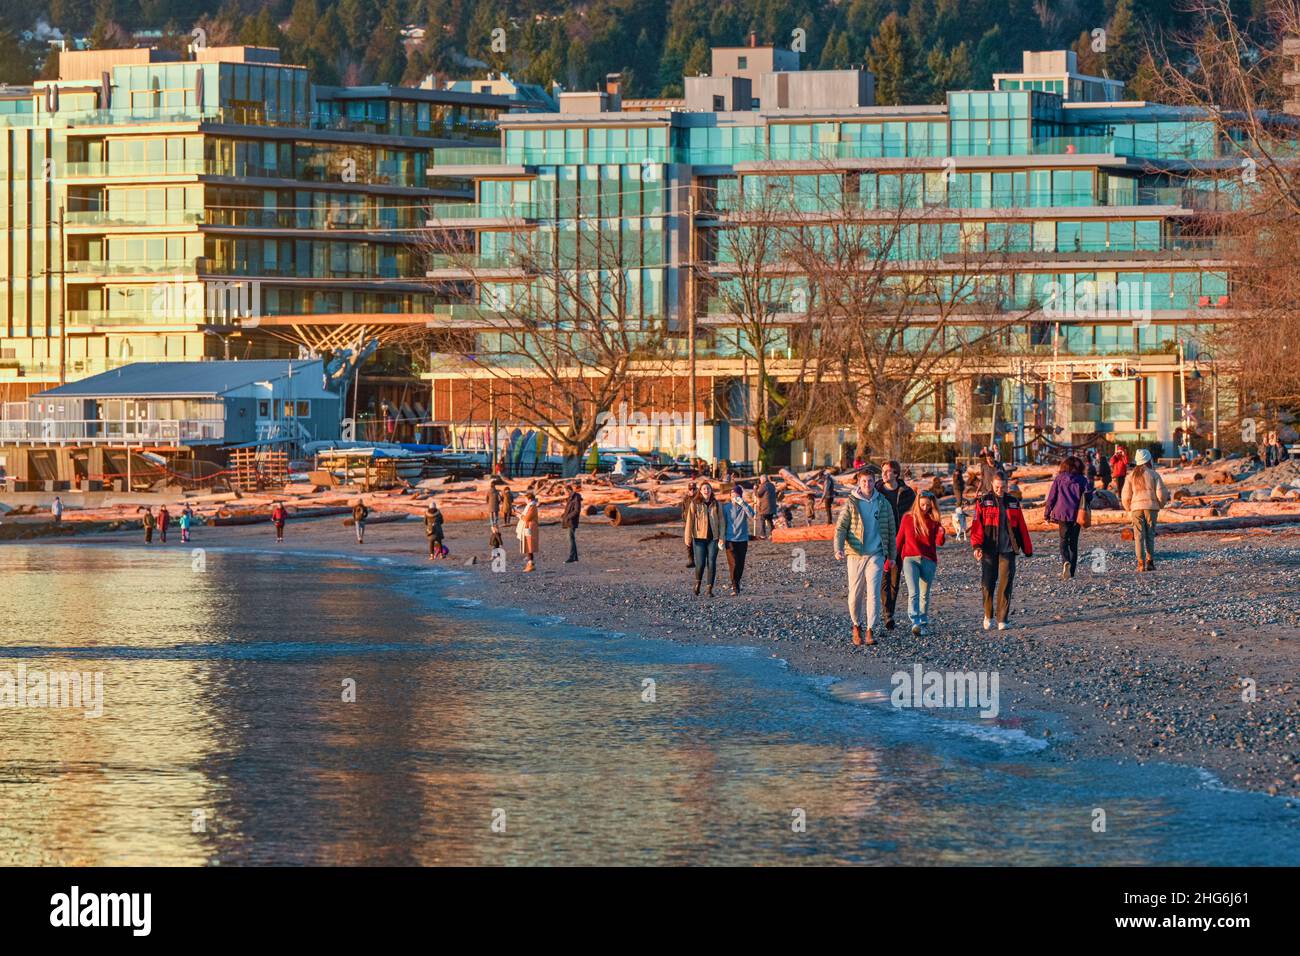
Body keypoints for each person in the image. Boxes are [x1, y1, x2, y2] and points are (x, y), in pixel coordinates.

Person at [833, 466, 897, 647]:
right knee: (855, 594)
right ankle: (856, 625)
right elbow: (840, 528)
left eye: (870, 481)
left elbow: (891, 531)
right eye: (864, 481)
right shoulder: (852, 503)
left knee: (874, 593)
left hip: (876, 554)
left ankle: (870, 629)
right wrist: (838, 548)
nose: (867, 484)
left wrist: (891, 555)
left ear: (874, 482)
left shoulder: (883, 503)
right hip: (855, 553)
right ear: (859, 483)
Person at [971, 472, 1033, 631]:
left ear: (1007, 486)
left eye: (1003, 487)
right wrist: (977, 546)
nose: (1000, 490)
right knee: (987, 583)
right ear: (992, 485)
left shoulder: (1013, 502)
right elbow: (977, 526)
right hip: (988, 549)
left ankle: (1002, 619)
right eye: (997, 487)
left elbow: (1021, 526)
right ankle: (988, 614)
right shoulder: (983, 502)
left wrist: (1027, 548)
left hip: (1008, 550)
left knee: (1006, 584)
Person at [895, 490, 946, 636]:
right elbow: (899, 541)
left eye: (928, 505)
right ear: (917, 503)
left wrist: (941, 533)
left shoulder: (934, 520)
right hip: (910, 559)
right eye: (922, 504)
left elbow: (939, 542)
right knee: (914, 592)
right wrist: (890, 560)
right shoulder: (908, 518)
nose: (925, 508)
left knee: (924, 594)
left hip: (929, 560)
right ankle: (915, 621)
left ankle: (923, 621)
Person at [877, 460, 916, 631]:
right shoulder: (876, 491)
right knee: (883, 577)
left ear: (896, 474)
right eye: (883, 471)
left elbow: (915, 515)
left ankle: (890, 610)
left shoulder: (907, 493)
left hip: (900, 541)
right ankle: (887, 614)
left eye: (888, 471)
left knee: (895, 578)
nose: (884, 474)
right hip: (880, 540)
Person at [1121, 448, 1170, 572]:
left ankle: (1140, 563)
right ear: (1148, 460)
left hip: (1136, 508)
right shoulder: (1154, 474)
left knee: (1138, 536)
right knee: (1150, 535)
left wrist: (1128, 508)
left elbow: (1125, 496)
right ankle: (1150, 562)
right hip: (1151, 508)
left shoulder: (1130, 476)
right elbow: (1161, 493)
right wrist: (1160, 504)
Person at [1044, 455, 1090, 580]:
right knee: (1073, 543)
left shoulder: (1059, 479)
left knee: (1063, 540)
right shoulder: (1083, 480)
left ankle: (1065, 561)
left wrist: (1047, 513)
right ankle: (1072, 571)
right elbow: (1088, 497)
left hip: (1062, 513)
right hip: (1077, 514)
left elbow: (1052, 497)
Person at [684, 480, 724, 596]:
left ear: (711, 491)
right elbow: (689, 521)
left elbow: (721, 522)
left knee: (711, 562)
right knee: (700, 563)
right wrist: (687, 538)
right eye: (704, 489)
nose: (707, 490)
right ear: (700, 491)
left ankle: (709, 589)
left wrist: (722, 537)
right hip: (699, 538)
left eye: (708, 488)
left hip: (713, 538)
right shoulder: (695, 503)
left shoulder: (717, 504)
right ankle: (698, 584)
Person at [722, 483, 754, 595]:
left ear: (740, 496)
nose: (734, 496)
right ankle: (735, 586)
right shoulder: (726, 508)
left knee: (740, 564)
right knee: (733, 563)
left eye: (736, 494)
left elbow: (752, 516)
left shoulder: (744, 507)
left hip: (742, 539)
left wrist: (743, 504)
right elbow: (722, 523)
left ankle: (737, 582)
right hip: (730, 539)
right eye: (732, 494)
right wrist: (721, 538)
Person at [561, 485, 583, 563]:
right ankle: (575, 557)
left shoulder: (575, 497)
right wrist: (564, 515)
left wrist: (568, 517)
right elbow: (570, 509)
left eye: (564, 491)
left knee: (571, 539)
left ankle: (572, 557)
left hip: (571, 521)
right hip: (569, 520)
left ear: (568, 490)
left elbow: (577, 510)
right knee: (571, 539)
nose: (564, 492)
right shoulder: (571, 497)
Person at [520, 491, 540, 572]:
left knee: (529, 546)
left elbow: (527, 518)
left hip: (530, 527)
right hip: (529, 527)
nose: (525, 500)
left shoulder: (532, 506)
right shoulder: (530, 506)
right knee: (528, 546)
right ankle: (530, 564)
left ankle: (531, 564)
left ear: (529, 499)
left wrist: (520, 516)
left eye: (525, 499)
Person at [754, 473, 777, 539]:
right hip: (772, 507)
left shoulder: (764, 486)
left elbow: (758, 494)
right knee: (770, 520)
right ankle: (773, 534)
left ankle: (763, 535)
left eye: (760, 479)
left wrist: (755, 489)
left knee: (762, 520)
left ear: (763, 479)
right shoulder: (772, 485)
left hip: (765, 507)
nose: (760, 481)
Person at [681, 481, 698, 567]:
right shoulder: (685, 498)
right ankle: (691, 560)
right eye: (690, 489)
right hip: (687, 523)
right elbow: (683, 510)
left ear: (696, 489)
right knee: (688, 542)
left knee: (698, 542)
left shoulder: (699, 498)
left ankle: (700, 559)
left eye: (693, 489)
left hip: (697, 523)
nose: (692, 490)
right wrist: (684, 521)